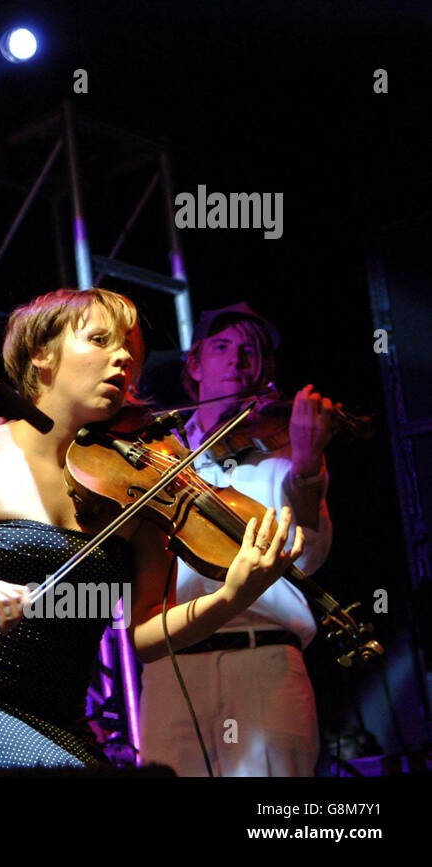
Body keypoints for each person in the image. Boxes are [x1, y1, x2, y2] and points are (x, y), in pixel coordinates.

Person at [0, 287, 305, 769]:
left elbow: (146, 633)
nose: (122, 356)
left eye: (129, 349)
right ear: (40, 353)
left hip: (60, 717)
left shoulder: (140, 487)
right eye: (100, 340)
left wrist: (231, 597)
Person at [138, 302, 333, 776]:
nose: (237, 359)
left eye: (250, 351)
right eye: (221, 347)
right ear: (195, 364)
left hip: (263, 659)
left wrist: (308, 467)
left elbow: (307, 557)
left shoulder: (285, 448)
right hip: (173, 665)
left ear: (263, 369)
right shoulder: (155, 453)